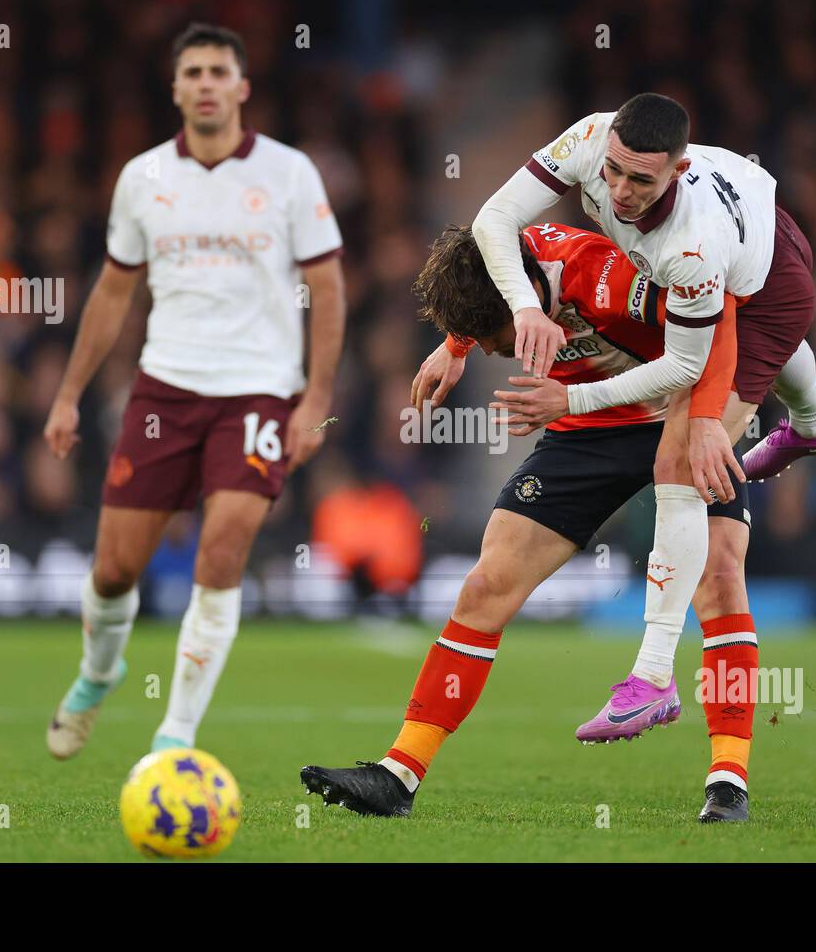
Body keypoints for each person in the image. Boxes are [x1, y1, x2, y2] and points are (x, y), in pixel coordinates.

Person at [468, 94, 816, 820]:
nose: (616, 192)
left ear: (676, 170)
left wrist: (583, 404)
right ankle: (814, 422)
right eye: (610, 172)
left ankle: (652, 678)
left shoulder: (692, 245)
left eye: (639, 182)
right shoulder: (587, 141)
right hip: (753, 237)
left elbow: (683, 367)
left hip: (762, 288)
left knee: (679, 464)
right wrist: (520, 307)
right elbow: (493, 221)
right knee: (704, 430)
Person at [300, 220, 740, 820]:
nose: (486, 348)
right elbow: (489, 287)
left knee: (719, 578)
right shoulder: (505, 260)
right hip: (586, 431)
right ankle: (398, 773)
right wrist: (453, 344)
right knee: (487, 583)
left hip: (686, 409)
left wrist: (710, 417)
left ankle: (727, 781)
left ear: (526, 292)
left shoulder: (608, 278)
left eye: (489, 333)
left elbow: (709, 331)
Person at [42, 22, 345, 759]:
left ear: (242, 87)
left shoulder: (289, 173)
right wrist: (69, 393)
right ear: (175, 89)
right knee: (114, 571)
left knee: (222, 553)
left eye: (219, 71)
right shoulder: (142, 179)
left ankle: (174, 735)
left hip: (258, 393)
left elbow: (328, 286)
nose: (206, 83)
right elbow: (113, 294)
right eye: (193, 72)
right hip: (165, 391)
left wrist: (314, 399)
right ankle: (98, 671)